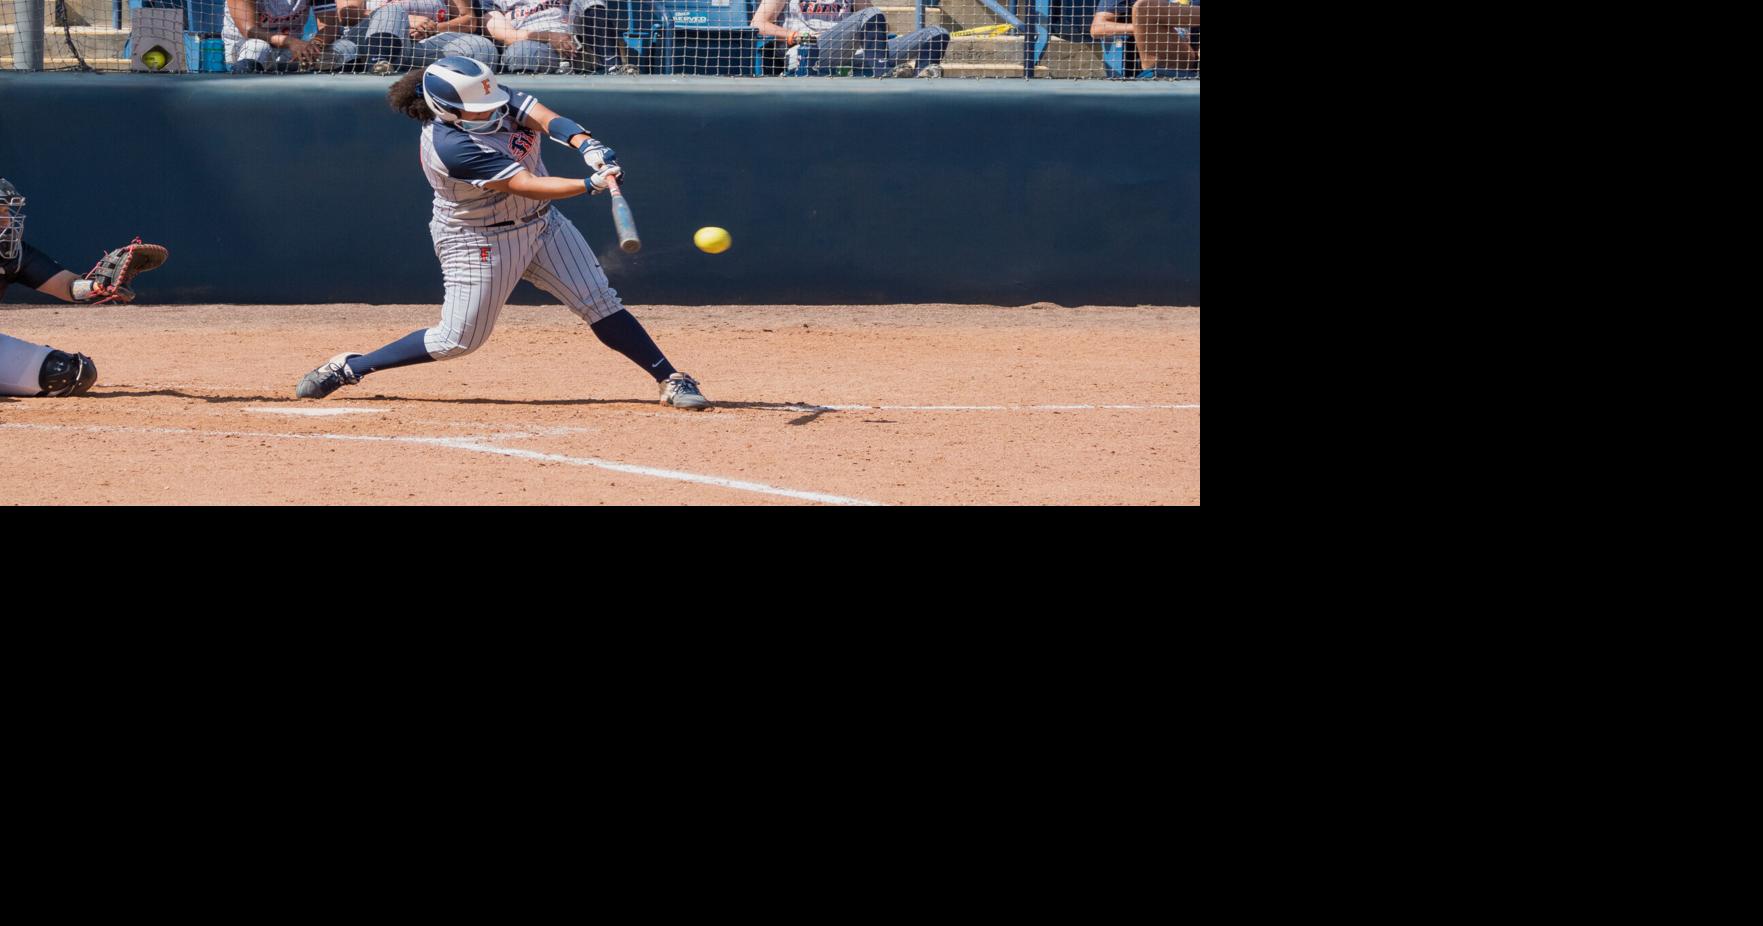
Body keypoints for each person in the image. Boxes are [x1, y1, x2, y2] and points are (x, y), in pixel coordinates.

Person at [292, 56, 710, 409]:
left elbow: (546, 118)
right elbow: (524, 184)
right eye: (479, 110)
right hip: (478, 239)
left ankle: (670, 378)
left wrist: (587, 144)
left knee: (599, 301)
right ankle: (351, 366)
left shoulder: (487, 96)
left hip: (542, 224)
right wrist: (589, 184)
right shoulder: (450, 147)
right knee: (457, 340)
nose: (492, 112)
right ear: (446, 110)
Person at [1, 179, 169, 399]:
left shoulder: (13, 254)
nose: (7, 220)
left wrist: (97, 286)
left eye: (6, 211)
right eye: (0, 212)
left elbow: (67, 285)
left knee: (68, 373)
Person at [750, 0, 948, 77]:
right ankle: (886, 76)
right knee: (868, 15)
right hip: (807, 51)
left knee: (936, 34)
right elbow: (758, 24)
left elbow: (877, 22)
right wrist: (796, 36)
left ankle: (921, 81)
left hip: (852, 52)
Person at [329, 0, 501, 73]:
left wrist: (432, 28)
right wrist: (405, 19)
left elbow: (469, 20)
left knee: (481, 48)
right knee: (393, 11)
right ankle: (377, 70)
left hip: (420, 46)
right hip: (369, 41)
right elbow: (348, 15)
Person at [224, 0, 347, 72]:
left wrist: (313, 46)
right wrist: (290, 42)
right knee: (258, 47)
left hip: (292, 51)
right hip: (246, 50)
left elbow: (330, 25)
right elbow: (249, 30)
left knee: (344, 48)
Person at [1090, 0, 1200, 78]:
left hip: (1193, 52)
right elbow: (1097, 28)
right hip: (1163, 56)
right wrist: (1144, 27)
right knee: (1145, 7)